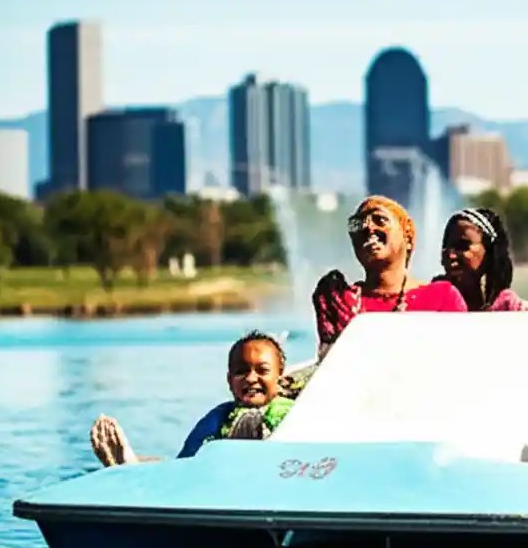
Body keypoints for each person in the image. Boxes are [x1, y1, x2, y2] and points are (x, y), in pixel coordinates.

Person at [89, 331, 295, 466]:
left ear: (280, 377)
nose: (251, 378)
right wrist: (132, 462)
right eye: (241, 371)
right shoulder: (219, 418)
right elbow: (183, 466)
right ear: (229, 380)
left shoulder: (297, 413)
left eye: (262, 370)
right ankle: (128, 464)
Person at [312, 195, 467, 359]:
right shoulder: (340, 300)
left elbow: (457, 362)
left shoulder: (441, 297)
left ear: (407, 238)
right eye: (357, 224)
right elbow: (331, 368)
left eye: (380, 219)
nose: (368, 227)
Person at [436, 207, 528, 311]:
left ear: (489, 251)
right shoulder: (432, 299)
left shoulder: (508, 307)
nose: (450, 255)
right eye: (446, 246)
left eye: (462, 246)